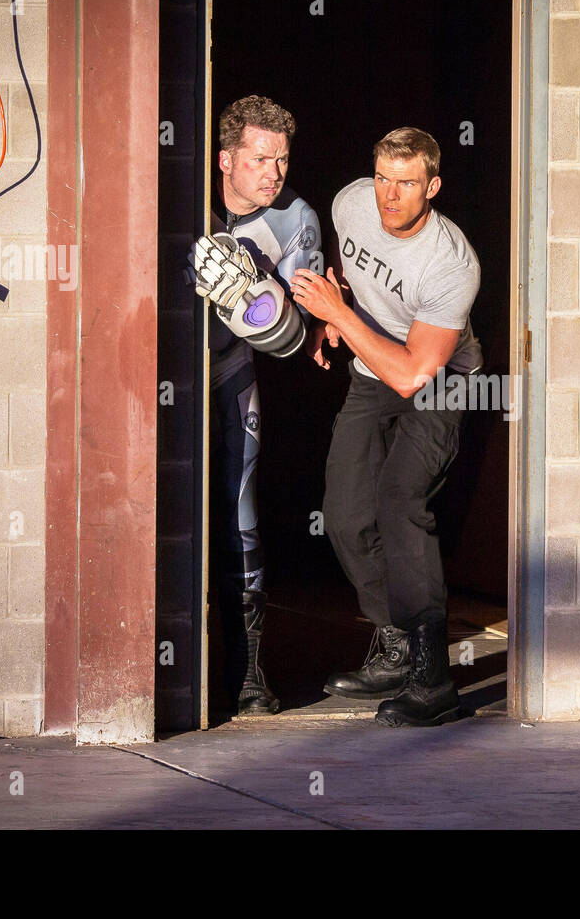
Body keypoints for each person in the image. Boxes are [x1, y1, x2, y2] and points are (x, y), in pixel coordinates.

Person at [291, 127, 481, 727]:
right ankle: (397, 645)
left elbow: (410, 377)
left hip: (437, 378)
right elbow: (347, 261)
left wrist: (338, 315)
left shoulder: (451, 263)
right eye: (381, 178)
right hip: (373, 368)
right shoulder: (351, 202)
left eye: (405, 183)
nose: (389, 195)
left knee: (401, 501)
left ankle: (433, 680)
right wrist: (340, 308)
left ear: (432, 187)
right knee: (345, 514)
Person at [192, 95, 321, 716]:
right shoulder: (178, 191)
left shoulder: (297, 220)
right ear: (226, 160)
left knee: (239, 513)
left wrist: (252, 296)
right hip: (162, 374)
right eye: (260, 159)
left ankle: (246, 674)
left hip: (231, 370)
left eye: (282, 160)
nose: (274, 173)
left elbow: (293, 339)